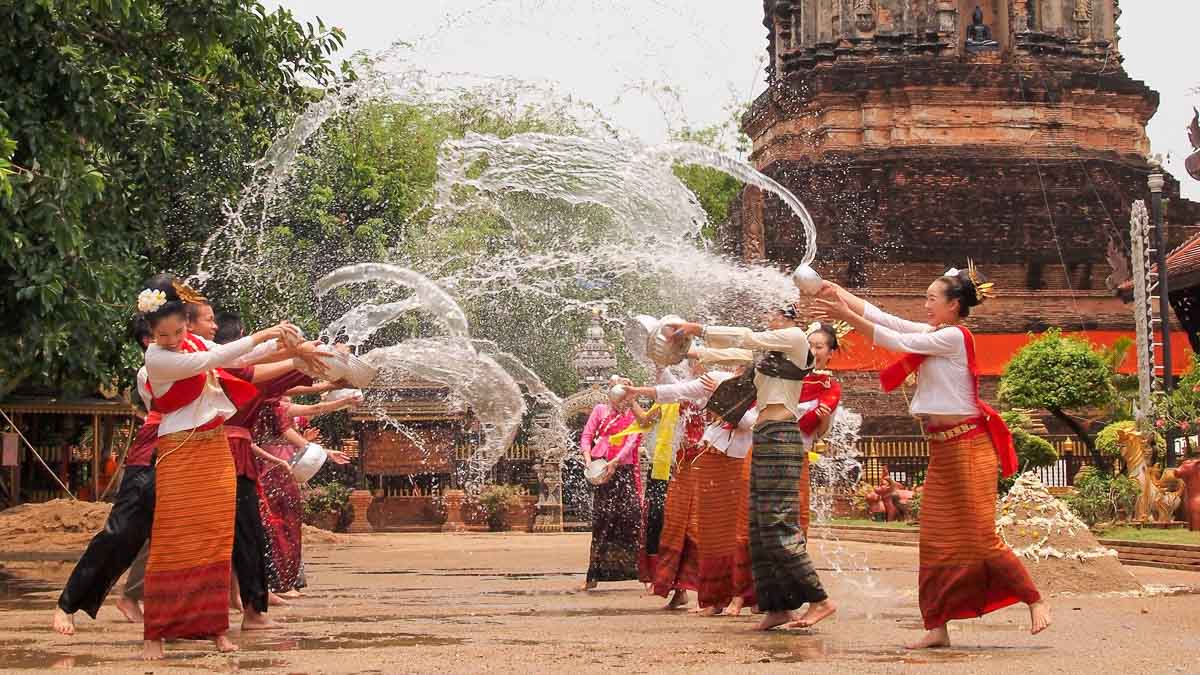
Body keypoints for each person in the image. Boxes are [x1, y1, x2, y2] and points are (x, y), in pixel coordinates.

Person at [815, 265, 1050, 649]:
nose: (924, 305)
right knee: (935, 540)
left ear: (954, 305)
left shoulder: (955, 337)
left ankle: (1033, 598)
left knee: (980, 537)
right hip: (943, 448)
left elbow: (893, 339)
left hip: (971, 447)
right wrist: (842, 293)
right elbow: (885, 318)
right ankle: (937, 625)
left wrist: (845, 317)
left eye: (930, 298)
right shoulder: (937, 334)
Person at [136, 274, 300, 660]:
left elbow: (238, 360)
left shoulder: (190, 341)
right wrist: (262, 336)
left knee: (216, 538)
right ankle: (154, 634)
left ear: (185, 325)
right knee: (174, 540)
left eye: (178, 331)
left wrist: (285, 343)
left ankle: (214, 628)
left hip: (214, 449)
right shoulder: (157, 358)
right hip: (180, 452)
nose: (173, 340)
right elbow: (214, 359)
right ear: (151, 333)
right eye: (164, 334)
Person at [667, 307, 836, 631]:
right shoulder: (767, 357)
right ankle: (778, 607)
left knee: (777, 523)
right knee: (758, 526)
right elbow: (735, 350)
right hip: (763, 436)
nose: (768, 317)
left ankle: (820, 600)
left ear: (787, 316)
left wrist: (699, 327)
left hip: (784, 437)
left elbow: (747, 336)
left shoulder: (795, 338)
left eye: (774, 312)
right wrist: (686, 349)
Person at [622, 353, 758, 616]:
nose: (695, 364)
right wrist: (643, 383)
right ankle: (706, 596)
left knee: (724, 532)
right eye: (692, 359)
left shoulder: (751, 387)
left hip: (733, 463)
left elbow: (751, 423)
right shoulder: (709, 382)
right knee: (688, 528)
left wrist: (723, 395)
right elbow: (673, 389)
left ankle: (736, 597)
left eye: (699, 358)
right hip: (692, 462)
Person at [51, 319, 158, 635]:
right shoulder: (151, 371)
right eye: (155, 336)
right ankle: (68, 603)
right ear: (146, 341)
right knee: (121, 535)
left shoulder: (199, 356)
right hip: (151, 458)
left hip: (190, 456)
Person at [579, 383, 643, 590]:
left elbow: (632, 441)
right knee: (602, 521)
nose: (619, 403)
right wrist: (588, 458)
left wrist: (615, 462)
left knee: (631, 519)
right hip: (601, 468)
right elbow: (587, 435)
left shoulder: (634, 414)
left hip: (622, 469)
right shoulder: (600, 410)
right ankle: (593, 576)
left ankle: (643, 576)